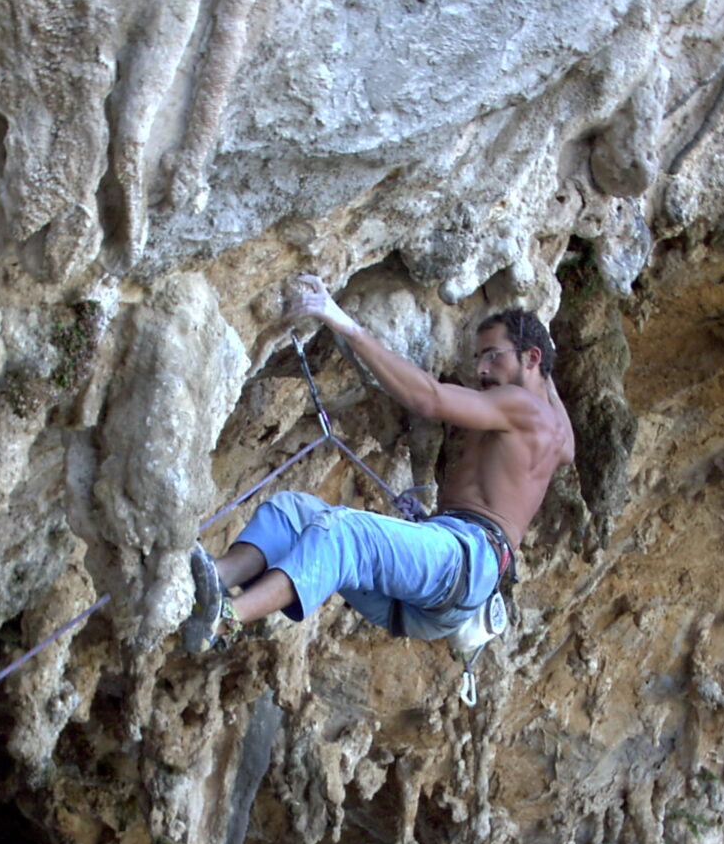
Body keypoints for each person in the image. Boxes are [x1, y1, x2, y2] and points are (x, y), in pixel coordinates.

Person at [183, 274, 575, 653]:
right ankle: (214, 580)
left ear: (531, 356)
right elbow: (566, 436)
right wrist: (545, 369)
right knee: (293, 512)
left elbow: (430, 399)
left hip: (460, 561)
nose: (481, 370)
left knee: (341, 534)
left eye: (493, 355)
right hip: (436, 596)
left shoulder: (521, 405)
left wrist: (342, 323)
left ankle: (226, 619)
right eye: (479, 357)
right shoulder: (558, 435)